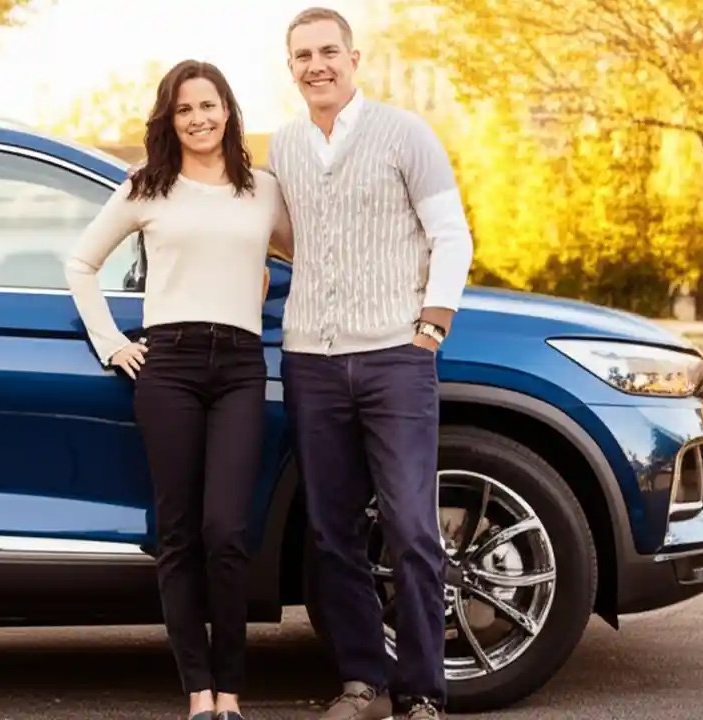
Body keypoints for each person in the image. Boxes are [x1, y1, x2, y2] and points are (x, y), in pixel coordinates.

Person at [65, 59, 291, 720]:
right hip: (169, 367)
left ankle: (231, 689)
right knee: (181, 533)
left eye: (209, 105)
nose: (198, 118)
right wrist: (112, 342)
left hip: (242, 367)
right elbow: (81, 263)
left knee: (227, 530)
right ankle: (199, 692)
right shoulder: (147, 185)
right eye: (185, 108)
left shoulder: (264, 190)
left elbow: (306, 253)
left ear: (229, 111)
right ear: (170, 118)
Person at [267, 7, 474, 720]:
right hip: (311, 363)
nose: (316, 65)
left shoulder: (404, 133)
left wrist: (431, 325)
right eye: (303, 56)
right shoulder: (285, 147)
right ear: (289, 67)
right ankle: (364, 683)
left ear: (354, 58)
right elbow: (287, 239)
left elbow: (451, 233)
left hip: (395, 359)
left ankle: (422, 691)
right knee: (332, 532)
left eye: (329, 52)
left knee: (413, 528)